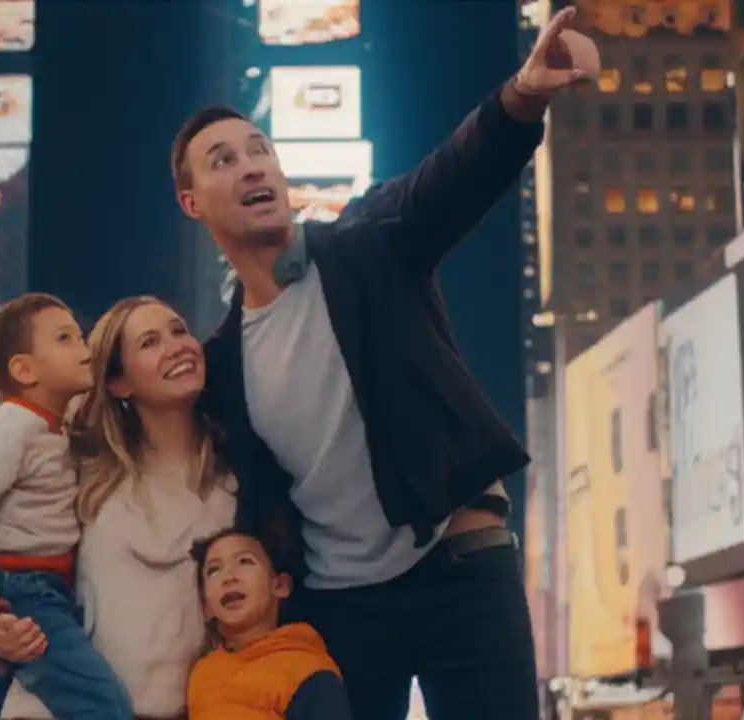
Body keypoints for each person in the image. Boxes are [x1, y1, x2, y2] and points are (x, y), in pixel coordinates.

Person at [168, 8, 593, 719]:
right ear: (192, 203)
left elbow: (453, 178)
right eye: (223, 161)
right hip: (343, 606)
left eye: (259, 149)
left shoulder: (368, 245)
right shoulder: (223, 365)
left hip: (460, 570)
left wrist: (522, 96)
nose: (252, 166)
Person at [0, 296, 238, 720]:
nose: (175, 347)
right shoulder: (78, 469)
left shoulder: (238, 482)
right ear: (118, 383)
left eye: (179, 331)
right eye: (149, 342)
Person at [0, 293, 130, 720]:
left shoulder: (50, 426)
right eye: (65, 339)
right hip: (20, 587)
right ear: (24, 370)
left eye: (79, 336)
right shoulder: (12, 425)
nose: (83, 349)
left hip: (27, 583)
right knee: (101, 704)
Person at [187, 529, 353, 720]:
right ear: (206, 607)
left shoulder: (307, 671)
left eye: (245, 561)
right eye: (213, 570)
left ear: (280, 585)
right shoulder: (203, 672)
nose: (228, 577)